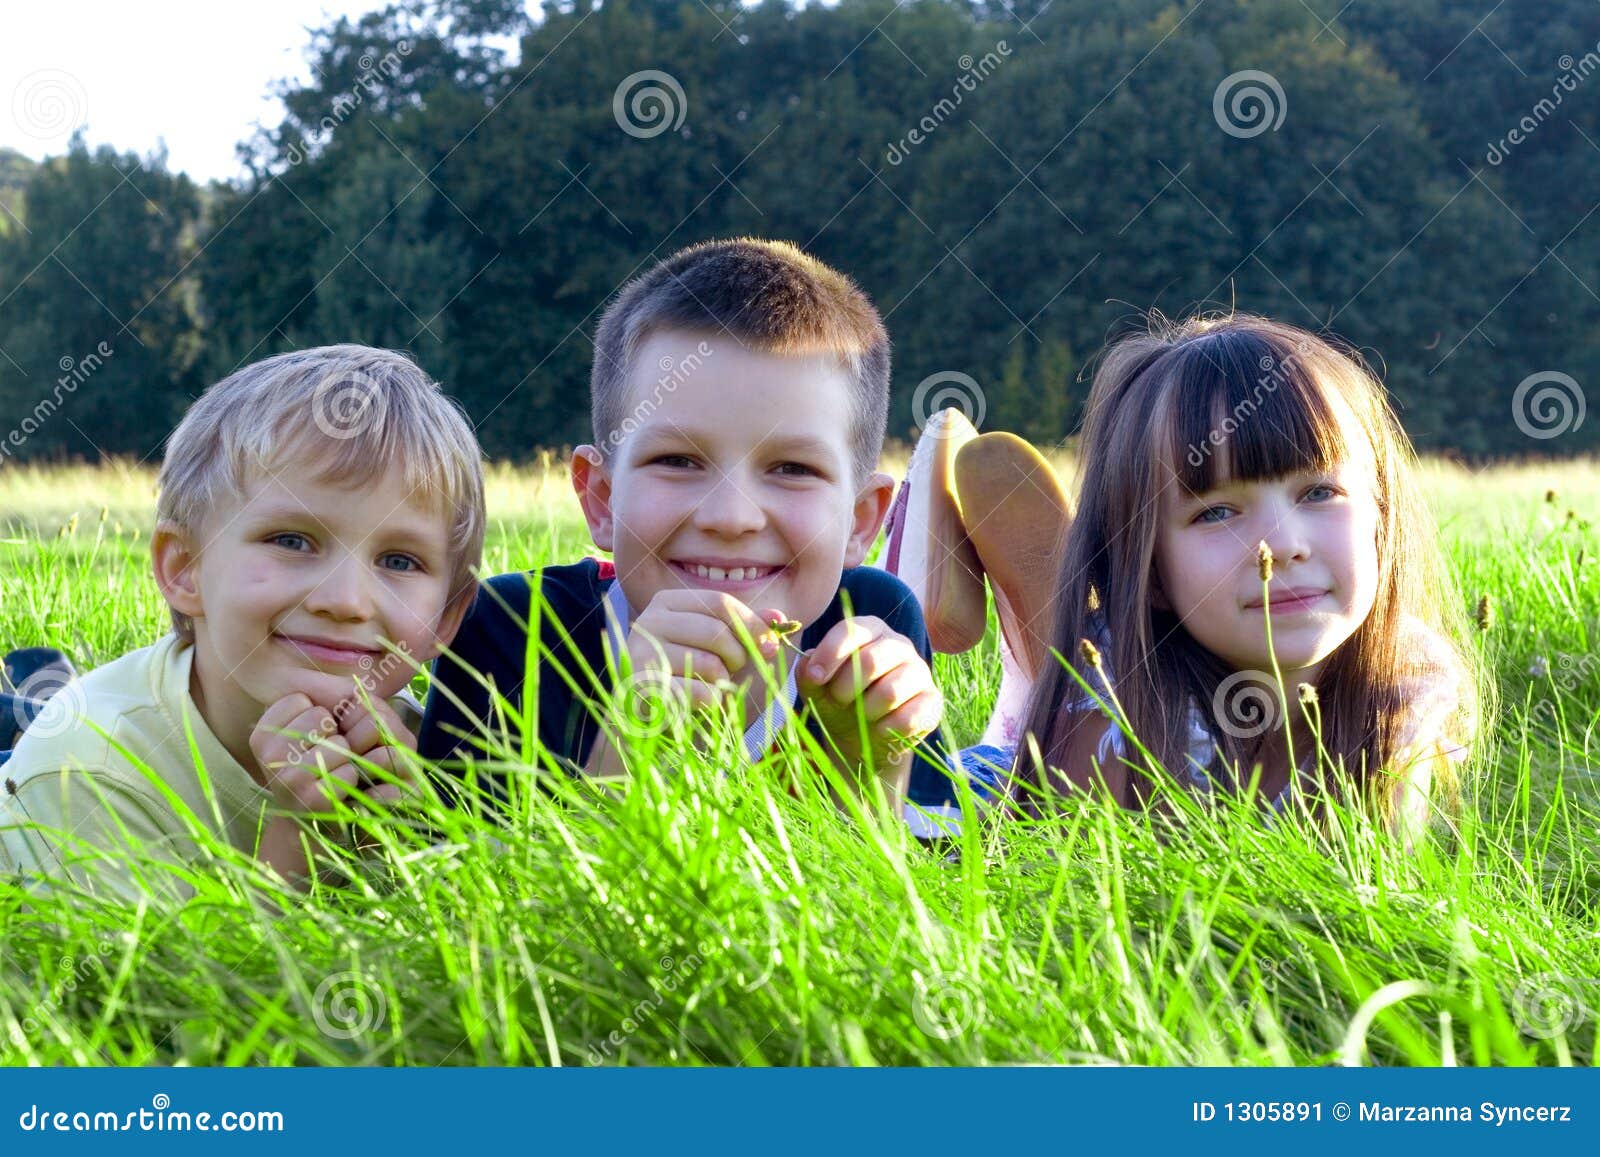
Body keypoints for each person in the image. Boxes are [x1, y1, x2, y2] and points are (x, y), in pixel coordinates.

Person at [419, 239, 976, 830]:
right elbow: (471, 880)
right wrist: (624, 757)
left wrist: (864, 772)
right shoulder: (512, 632)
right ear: (602, 500)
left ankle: (1025, 675)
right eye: (677, 461)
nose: (731, 518)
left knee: (1008, 772)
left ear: (860, 521)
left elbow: (906, 881)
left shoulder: (872, 622)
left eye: (793, 469)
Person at [888, 314, 1476, 845]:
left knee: (1063, 657)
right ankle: (1034, 670)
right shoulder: (1121, 716)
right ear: (1150, 572)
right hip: (1007, 793)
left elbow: (1381, 874)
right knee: (930, 810)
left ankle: (1044, 630)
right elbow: (1087, 886)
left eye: (1319, 492)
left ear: (1380, 516)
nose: (1283, 545)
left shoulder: (1406, 689)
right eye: (1216, 512)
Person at [0, 346, 486, 899]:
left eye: (399, 561)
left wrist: (404, 852)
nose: (347, 601)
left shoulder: (430, 756)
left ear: (448, 615)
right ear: (186, 568)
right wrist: (298, 843)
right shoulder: (87, 771)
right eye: (292, 541)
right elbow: (150, 961)